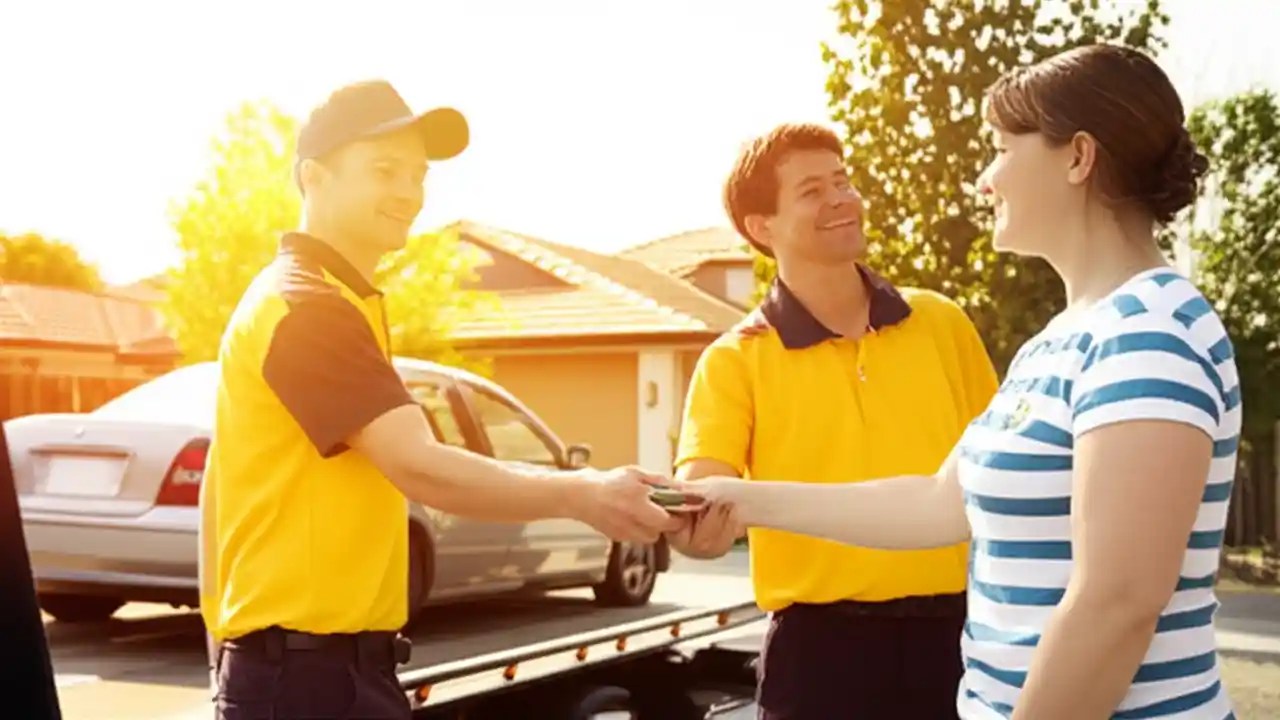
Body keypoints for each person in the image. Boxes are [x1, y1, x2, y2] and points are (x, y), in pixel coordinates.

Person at [685, 44, 1240, 720]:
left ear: (1078, 157)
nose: (985, 178)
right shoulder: (1060, 340)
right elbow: (940, 503)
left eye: (1002, 148)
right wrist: (735, 498)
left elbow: (1116, 604)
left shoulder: (1146, 333)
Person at [198, 79, 685, 720]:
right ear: (313, 179)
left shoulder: (331, 300)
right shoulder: (307, 308)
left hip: (311, 672)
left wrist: (226, 654)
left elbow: (218, 487)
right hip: (306, 682)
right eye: (384, 170)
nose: (409, 193)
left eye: (418, 175)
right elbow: (418, 464)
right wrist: (585, 493)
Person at [666, 122, 999, 719]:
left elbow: (1002, 476)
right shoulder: (735, 358)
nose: (841, 199)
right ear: (760, 227)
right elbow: (703, 490)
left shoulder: (942, 323)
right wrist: (699, 525)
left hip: (958, 640)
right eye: (812, 190)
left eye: (843, 181)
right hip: (818, 658)